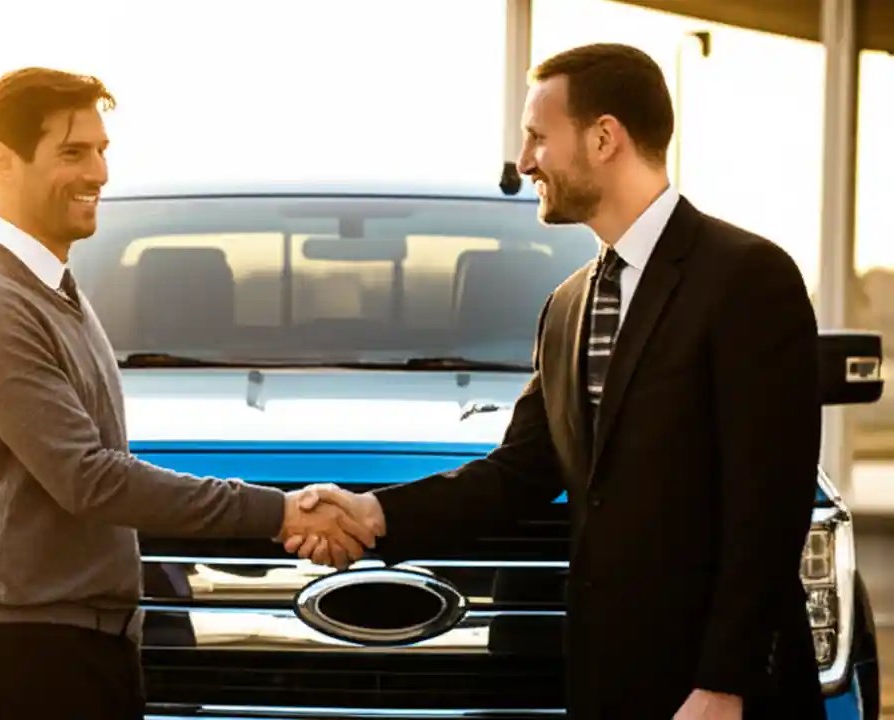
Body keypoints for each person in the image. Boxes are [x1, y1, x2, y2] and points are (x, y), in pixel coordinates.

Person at [286, 43, 824, 719]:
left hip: (718, 695)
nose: (525, 161)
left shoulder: (748, 277)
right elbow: (521, 474)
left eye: (539, 136)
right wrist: (373, 513)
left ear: (605, 138)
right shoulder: (567, 305)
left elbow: (768, 506)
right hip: (606, 686)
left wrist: (727, 682)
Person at [0, 67, 374, 720]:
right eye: (73, 152)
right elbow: (90, 480)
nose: (100, 173)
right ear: (4, 162)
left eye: (102, 150)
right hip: (29, 658)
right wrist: (279, 515)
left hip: (85, 645)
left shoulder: (53, 288)